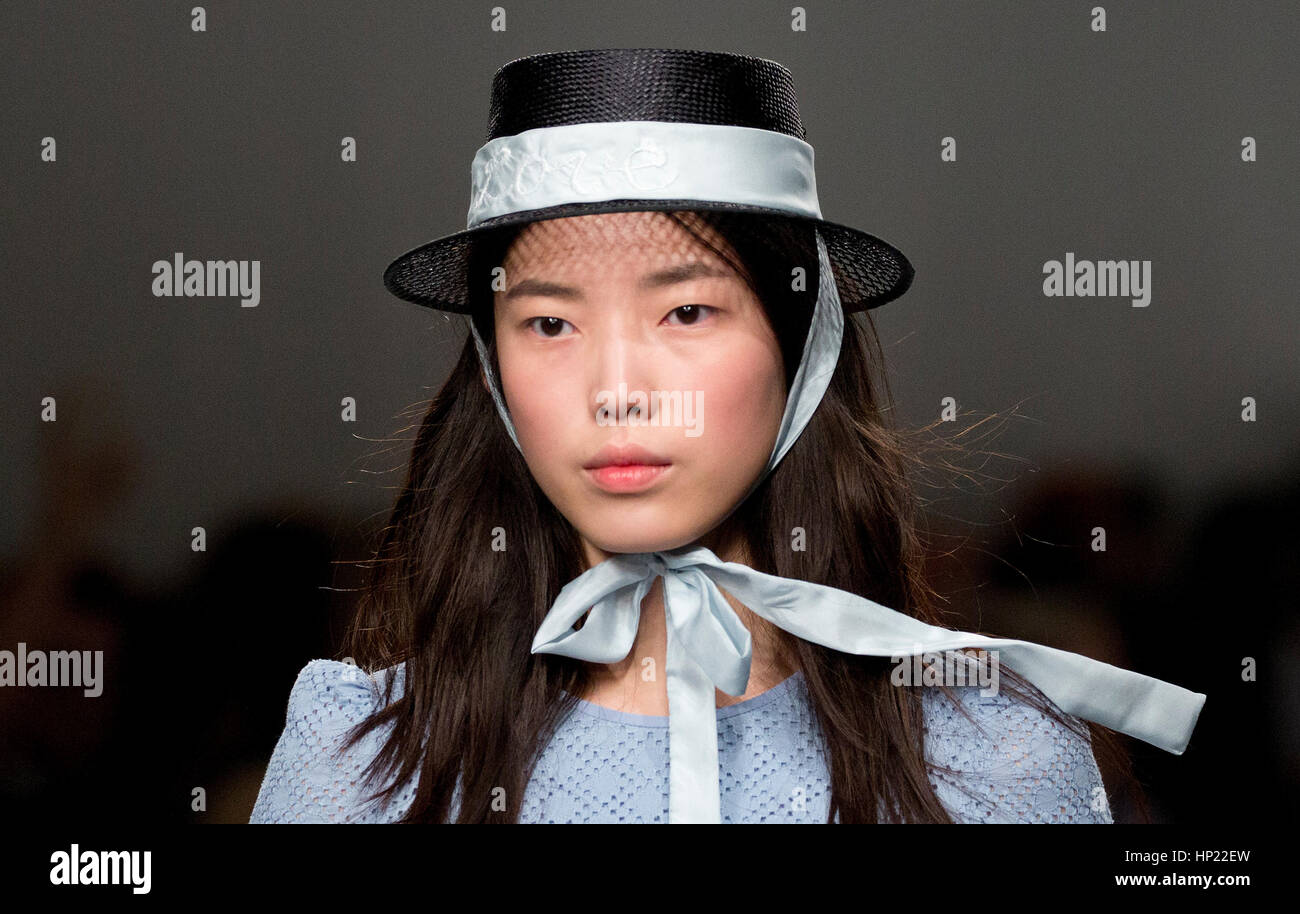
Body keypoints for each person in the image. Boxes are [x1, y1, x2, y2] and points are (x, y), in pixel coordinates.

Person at [249, 48, 1204, 824]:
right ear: (492, 372)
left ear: (804, 348)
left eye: (688, 312)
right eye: (549, 323)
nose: (619, 393)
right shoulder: (362, 767)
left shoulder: (992, 763)